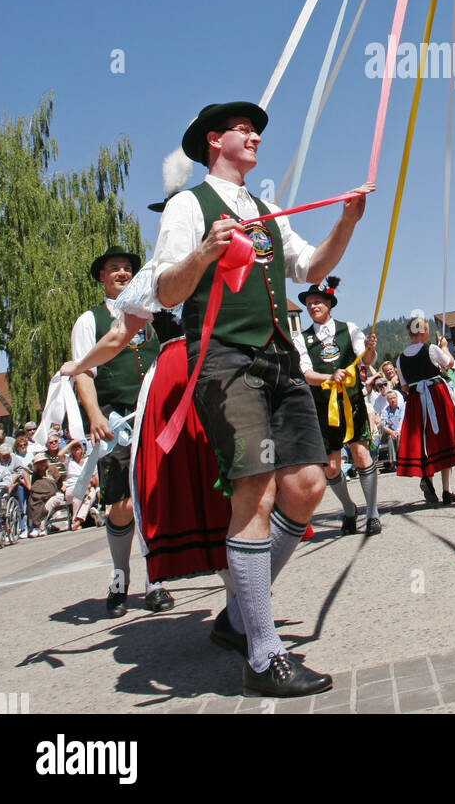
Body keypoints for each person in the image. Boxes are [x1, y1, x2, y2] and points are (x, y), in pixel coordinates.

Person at [151, 100, 373, 696]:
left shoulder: (270, 209)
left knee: (308, 486)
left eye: (255, 129)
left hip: (280, 357)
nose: (254, 134)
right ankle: (262, 655)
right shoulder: (187, 206)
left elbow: (309, 267)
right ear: (213, 141)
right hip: (223, 360)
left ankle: (237, 615)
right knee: (257, 489)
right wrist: (205, 252)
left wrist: (347, 221)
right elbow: (163, 291)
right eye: (243, 128)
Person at [71, 246, 174, 618]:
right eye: (114, 269)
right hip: (116, 420)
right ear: (102, 277)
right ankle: (119, 577)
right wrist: (95, 414)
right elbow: (83, 371)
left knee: (152, 499)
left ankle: (156, 581)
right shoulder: (90, 320)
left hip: (154, 413)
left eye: (127, 268)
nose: (122, 273)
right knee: (121, 505)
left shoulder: (150, 315)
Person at [294, 276, 382, 537]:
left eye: (318, 302)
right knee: (331, 468)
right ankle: (349, 509)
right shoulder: (303, 339)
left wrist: (369, 350)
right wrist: (329, 378)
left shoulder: (350, 329)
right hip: (324, 407)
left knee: (361, 454)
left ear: (329, 304)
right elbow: (306, 374)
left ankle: (373, 513)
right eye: (309, 304)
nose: (313, 307)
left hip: (352, 401)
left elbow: (365, 360)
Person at [395, 315, 455, 503]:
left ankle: (428, 480)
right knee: (443, 439)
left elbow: (404, 387)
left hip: (415, 400)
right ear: (423, 331)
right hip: (436, 396)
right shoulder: (431, 349)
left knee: (424, 442)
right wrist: (445, 347)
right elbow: (450, 364)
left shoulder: (400, 359)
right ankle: (447, 490)